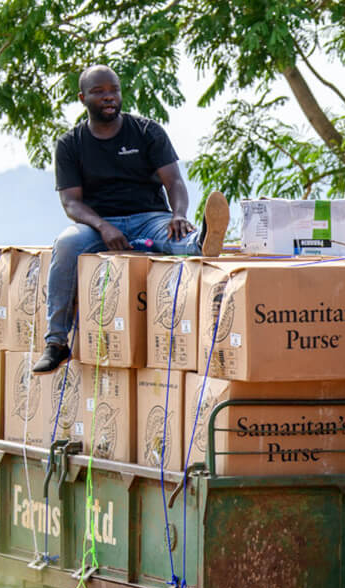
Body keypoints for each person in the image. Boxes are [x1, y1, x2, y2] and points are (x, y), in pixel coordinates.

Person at [33, 65, 230, 374]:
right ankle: (56, 343)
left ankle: (203, 240)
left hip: (149, 217)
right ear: (83, 98)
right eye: (99, 92)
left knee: (174, 236)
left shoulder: (147, 131)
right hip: (97, 223)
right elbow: (71, 202)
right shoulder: (70, 144)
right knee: (66, 244)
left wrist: (178, 214)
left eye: (113, 90)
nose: (109, 96)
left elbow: (174, 182)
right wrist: (102, 226)